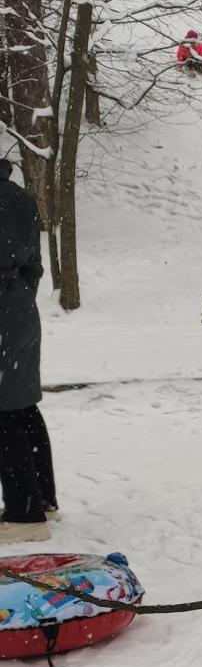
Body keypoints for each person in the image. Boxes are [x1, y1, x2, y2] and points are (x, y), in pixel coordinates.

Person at [0, 154, 56, 541]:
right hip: (18, 313)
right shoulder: (19, 197)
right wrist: (17, 298)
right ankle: (44, 502)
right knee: (20, 406)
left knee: (3, 413)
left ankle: (25, 515)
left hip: (6, 312)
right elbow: (33, 265)